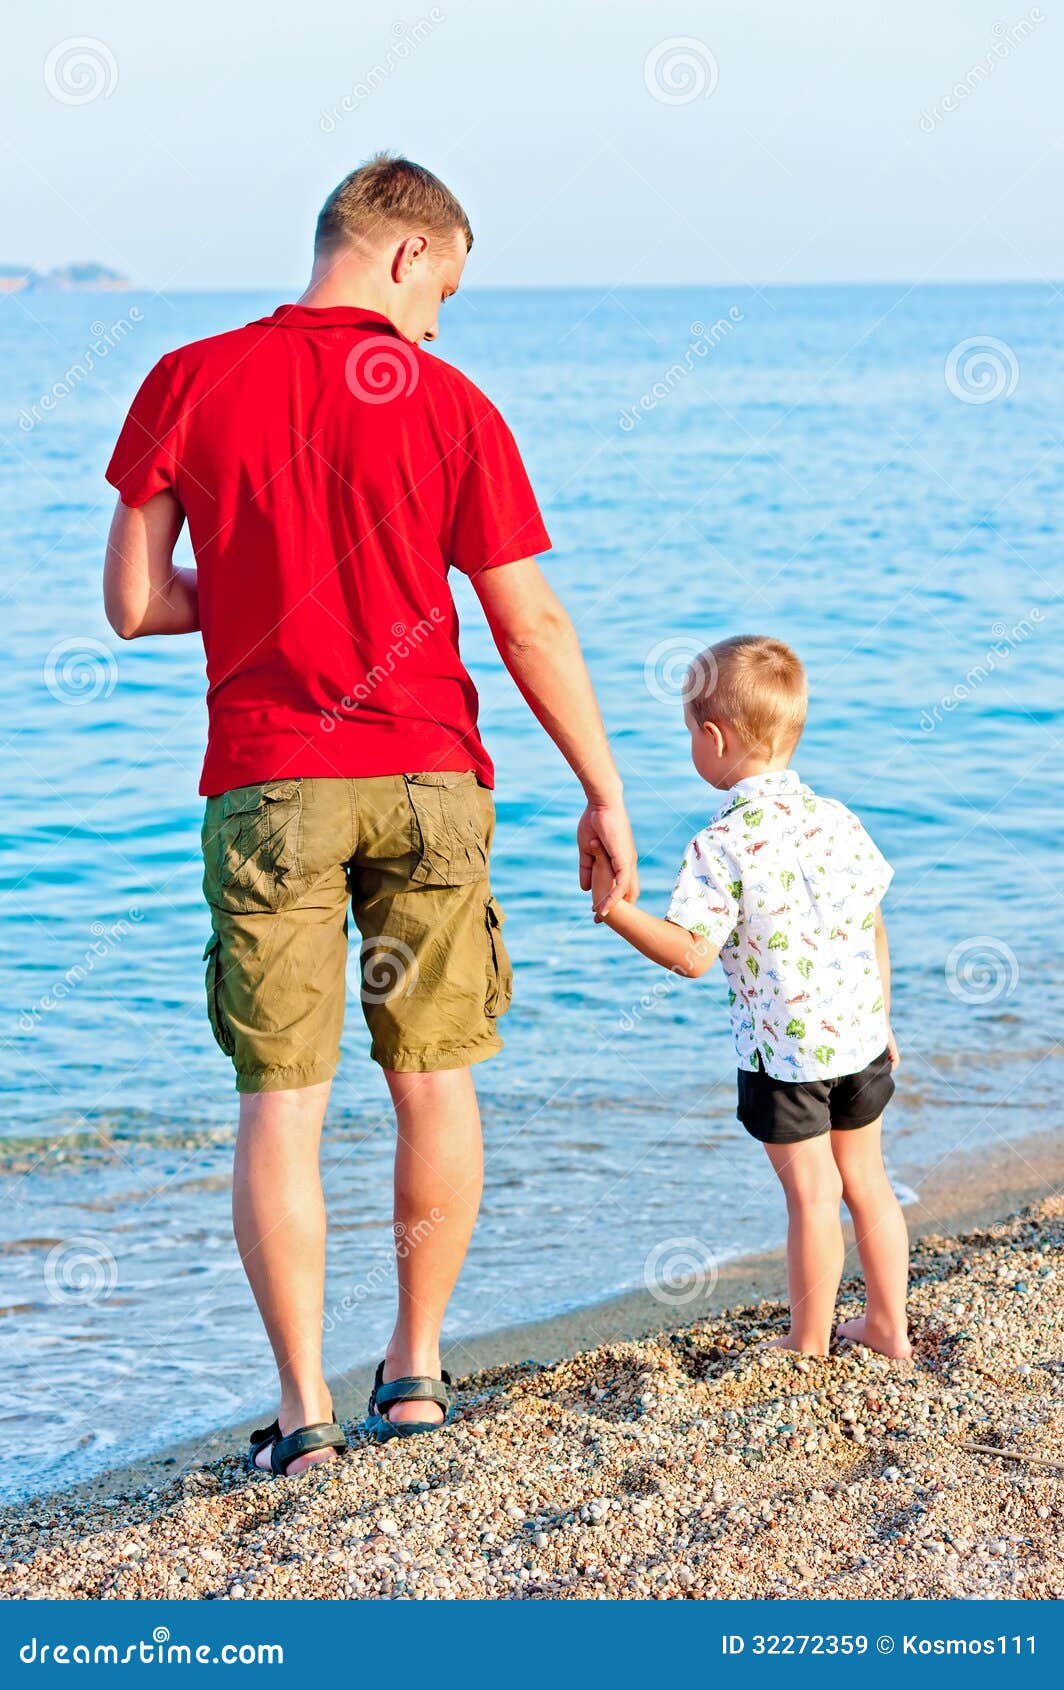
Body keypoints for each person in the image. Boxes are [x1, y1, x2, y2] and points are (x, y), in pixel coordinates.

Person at [103, 153, 637, 1475]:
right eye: (441, 291)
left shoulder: (191, 378)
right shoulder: (450, 403)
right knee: (432, 1081)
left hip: (271, 782)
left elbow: (132, 602)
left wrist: (252, 588)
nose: (438, 326)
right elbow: (527, 619)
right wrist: (603, 785)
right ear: (405, 253)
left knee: (282, 1101)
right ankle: (414, 1371)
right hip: (428, 780)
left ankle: (303, 1414)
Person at [591, 635, 910, 1359]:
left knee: (809, 1197)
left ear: (715, 737)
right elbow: (872, 925)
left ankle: (808, 1343)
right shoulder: (838, 818)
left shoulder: (722, 842)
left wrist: (620, 914)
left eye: (689, 736)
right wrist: (882, 1016)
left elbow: (694, 954)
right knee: (867, 1181)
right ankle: (888, 1327)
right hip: (860, 1040)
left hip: (786, 1054)